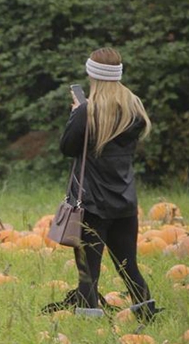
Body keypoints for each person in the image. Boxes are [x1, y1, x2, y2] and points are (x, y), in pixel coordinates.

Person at [44, 47, 160, 321]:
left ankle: (88, 326)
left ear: (92, 74)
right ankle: (148, 315)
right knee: (129, 266)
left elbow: (67, 147)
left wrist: (76, 113)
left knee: (88, 272)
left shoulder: (87, 111)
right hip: (125, 202)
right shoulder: (134, 108)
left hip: (92, 205)